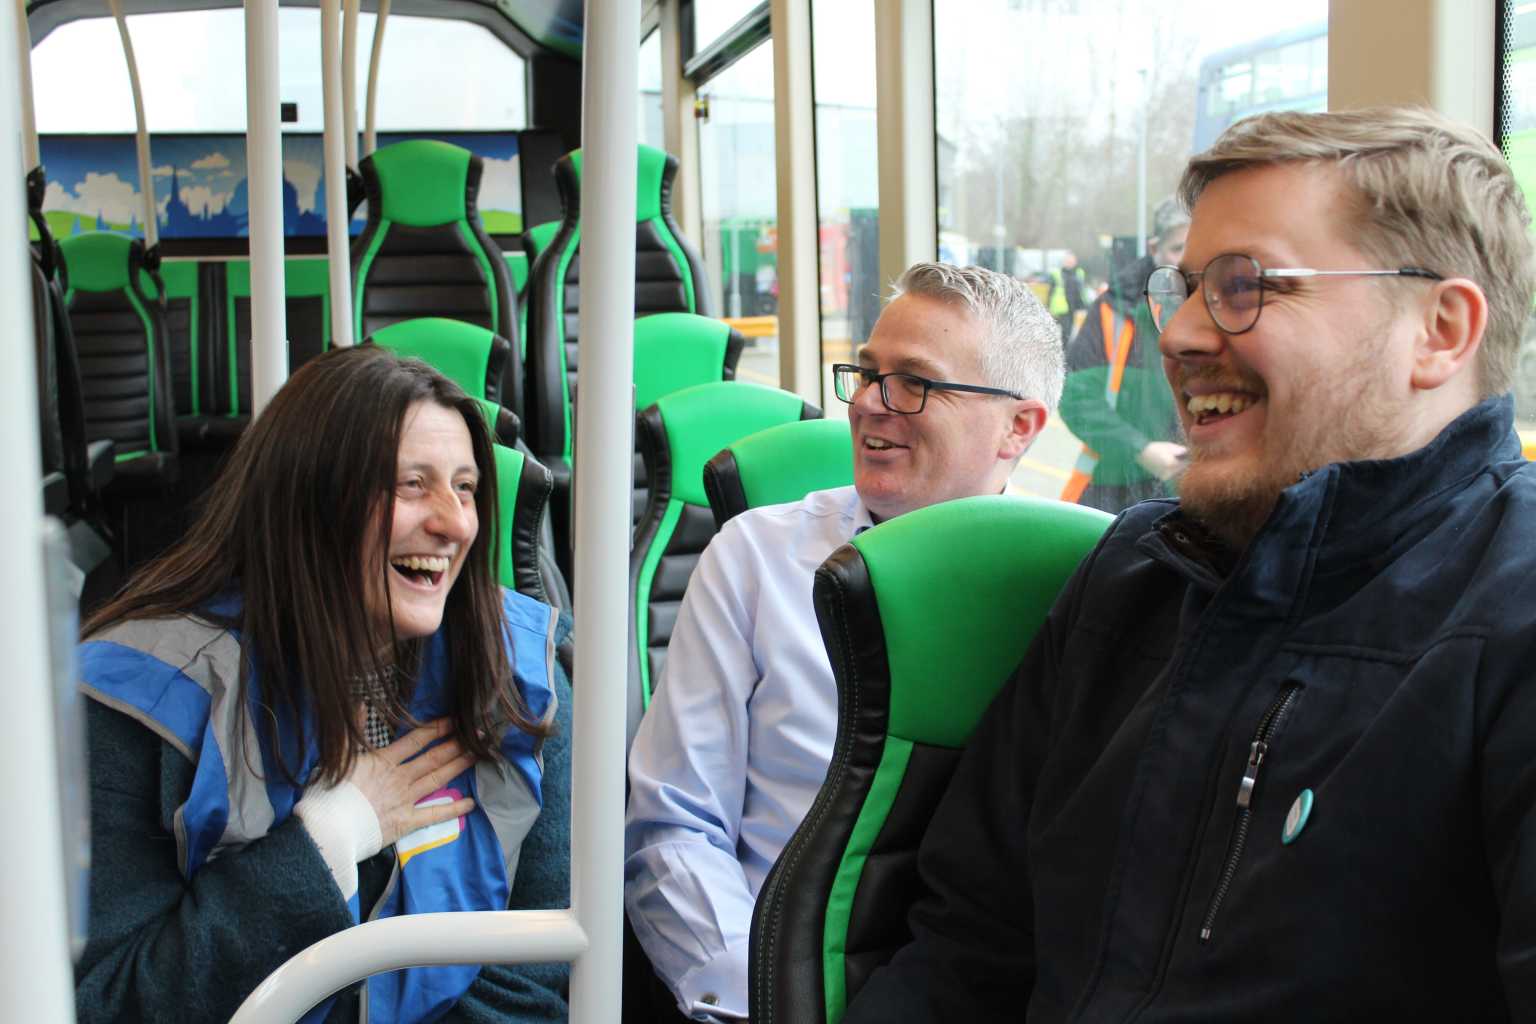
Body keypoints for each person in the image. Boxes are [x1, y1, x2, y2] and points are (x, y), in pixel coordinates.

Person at [843, 106, 1536, 1020]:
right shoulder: (1135, 575)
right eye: (1188, 287)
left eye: (1246, 287)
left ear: (1439, 331)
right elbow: (970, 943)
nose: (1178, 336)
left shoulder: (1511, 621)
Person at [73, 345, 573, 1023]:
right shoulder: (140, 701)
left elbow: (533, 977)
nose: (455, 524)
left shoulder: (519, 676)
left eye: (464, 487)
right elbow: (108, 1001)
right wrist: (324, 845)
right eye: (411, 484)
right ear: (308, 499)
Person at [625, 262, 1064, 1021]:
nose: (867, 405)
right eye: (866, 373)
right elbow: (674, 827)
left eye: (913, 383)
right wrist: (760, 1001)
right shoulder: (754, 557)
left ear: (1018, 428)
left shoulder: (1071, 582)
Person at [1058, 199, 1191, 513]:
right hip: (1115, 494)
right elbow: (1076, 397)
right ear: (1154, 247)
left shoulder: (1222, 308)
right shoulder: (1114, 309)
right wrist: (1140, 449)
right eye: (1177, 248)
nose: (1185, 262)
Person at [1048, 250, 1089, 345]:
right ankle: (1063, 354)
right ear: (1063, 262)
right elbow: (1051, 292)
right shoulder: (1057, 273)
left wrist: (1085, 305)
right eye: (1067, 260)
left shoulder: (1079, 273)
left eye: (1071, 261)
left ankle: (1066, 353)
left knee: (1071, 334)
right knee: (1063, 334)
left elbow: (1082, 291)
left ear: (1075, 262)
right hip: (1061, 309)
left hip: (1075, 308)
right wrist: (1049, 307)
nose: (1069, 263)